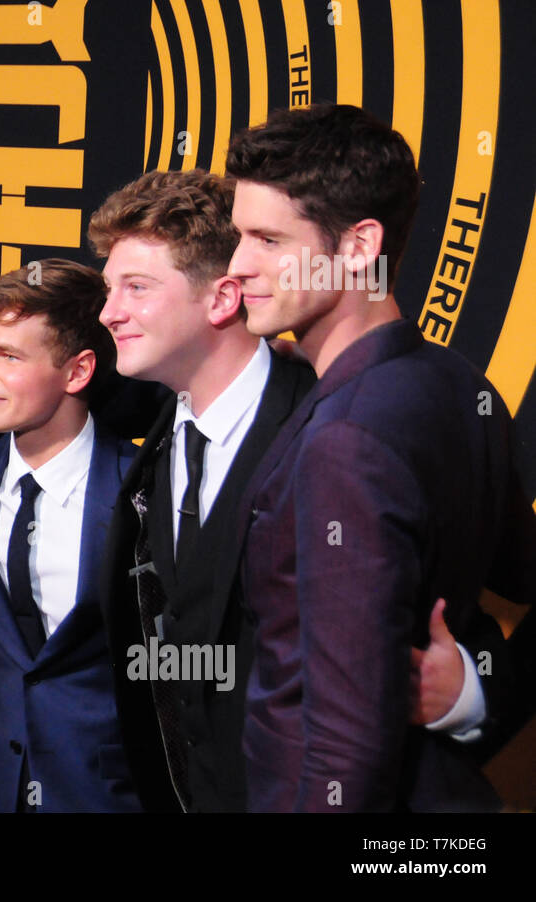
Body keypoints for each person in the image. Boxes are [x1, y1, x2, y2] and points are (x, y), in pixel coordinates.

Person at [91, 167, 493, 812]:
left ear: (221, 299)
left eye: (135, 288)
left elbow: (470, 596)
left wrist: (471, 693)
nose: (108, 313)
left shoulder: (346, 426)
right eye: (110, 288)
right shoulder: (159, 431)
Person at [225, 103, 534, 811]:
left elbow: (345, 748)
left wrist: (471, 689)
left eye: (269, 239)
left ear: (360, 246)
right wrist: (475, 690)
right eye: (240, 236)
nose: (239, 265)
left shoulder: (347, 440)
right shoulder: (462, 384)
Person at [0, 259, 140, 812]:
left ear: (77, 372)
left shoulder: (141, 491)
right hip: (1, 788)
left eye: (9, 356)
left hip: (112, 793)